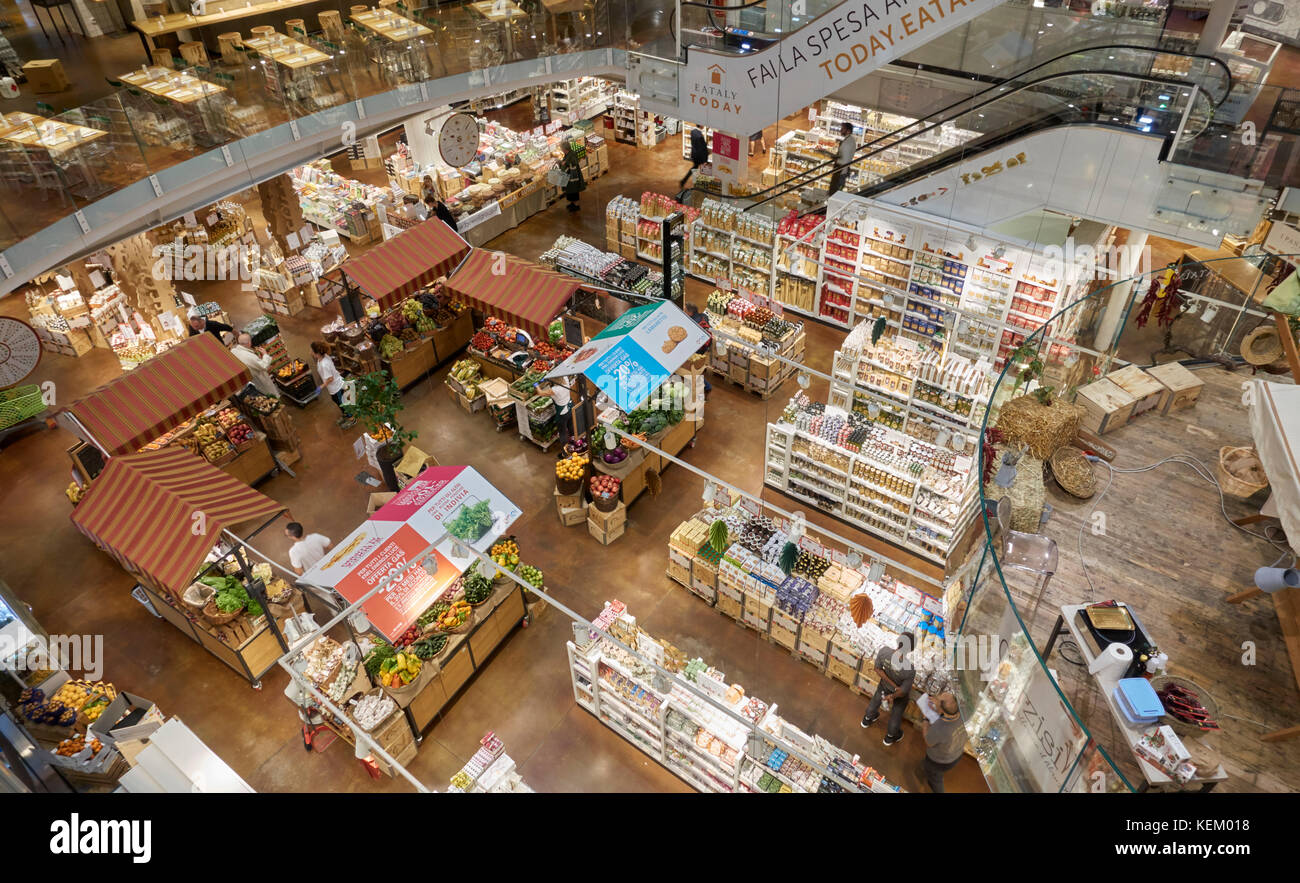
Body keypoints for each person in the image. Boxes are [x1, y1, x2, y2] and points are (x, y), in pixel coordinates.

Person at [861, 631, 915, 746]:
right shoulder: (909, 669)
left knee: (876, 699)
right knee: (897, 712)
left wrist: (889, 684)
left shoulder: (884, 651)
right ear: (911, 650)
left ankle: (867, 718)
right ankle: (890, 736)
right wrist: (893, 693)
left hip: (884, 686)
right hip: (898, 694)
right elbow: (903, 691)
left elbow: (877, 669)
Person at [920, 692, 966, 793]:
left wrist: (925, 717)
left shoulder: (939, 728)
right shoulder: (964, 713)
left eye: (938, 700)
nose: (935, 699)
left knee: (936, 780)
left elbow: (928, 741)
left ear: (941, 709)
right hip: (956, 754)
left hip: (938, 762)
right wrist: (938, 707)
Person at [311, 340, 354, 428]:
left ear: (317, 353)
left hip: (336, 387)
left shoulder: (324, 364)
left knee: (342, 404)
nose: (310, 352)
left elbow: (330, 378)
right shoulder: (324, 357)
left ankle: (352, 419)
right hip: (335, 385)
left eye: (312, 350)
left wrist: (321, 387)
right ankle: (346, 415)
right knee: (338, 402)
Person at [684, 303, 712, 395]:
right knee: (695, 368)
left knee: (692, 369)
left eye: (685, 310)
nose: (684, 311)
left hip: (697, 348)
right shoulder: (704, 316)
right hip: (705, 346)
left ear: (690, 312)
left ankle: (706, 386)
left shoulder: (691, 322)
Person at [826, 121, 856, 197]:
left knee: (835, 192)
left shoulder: (848, 143)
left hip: (840, 170)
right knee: (837, 190)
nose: (841, 130)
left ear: (848, 131)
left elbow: (845, 161)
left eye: (843, 129)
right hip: (842, 170)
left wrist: (835, 159)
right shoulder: (849, 140)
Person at [560, 140, 586, 213]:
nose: (562, 150)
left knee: (574, 191)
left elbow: (573, 163)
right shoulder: (568, 154)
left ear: (565, 149)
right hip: (569, 177)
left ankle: (576, 205)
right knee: (570, 191)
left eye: (562, 149)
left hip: (573, 177)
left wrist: (564, 163)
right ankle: (572, 203)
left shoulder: (572, 154)